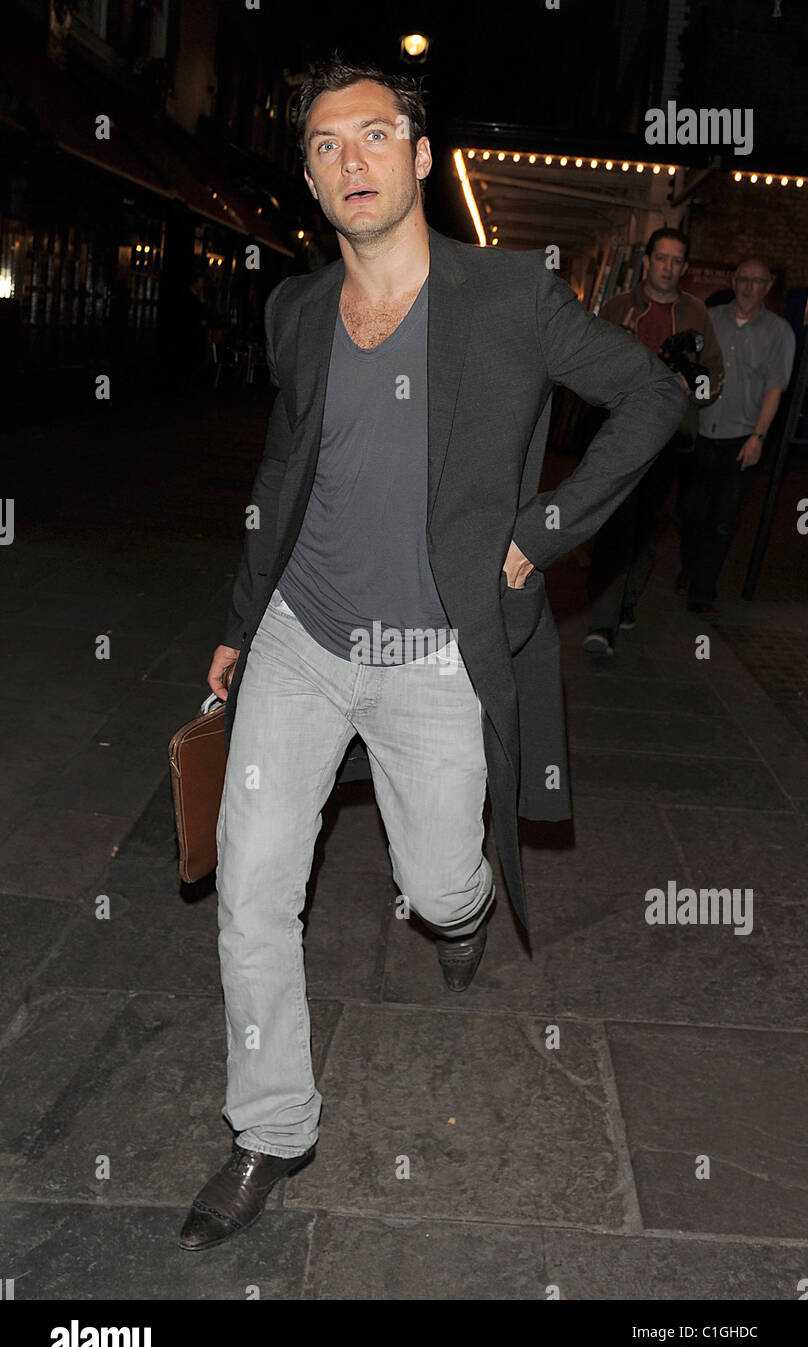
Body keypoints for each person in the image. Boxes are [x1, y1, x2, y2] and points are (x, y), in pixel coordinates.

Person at [178, 56, 688, 1252]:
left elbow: (651, 397)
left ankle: (457, 918)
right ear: (309, 178)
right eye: (323, 146)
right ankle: (268, 1130)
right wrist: (241, 619)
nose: (349, 160)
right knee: (252, 891)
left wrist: (544, 531)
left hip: (432, 659)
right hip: (301, 638)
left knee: (443, 876)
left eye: (371, 137)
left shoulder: (510, 295)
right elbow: (283, 472)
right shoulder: (297, 311)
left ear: (417, 156)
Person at [582, 226, 724, 654]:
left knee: (644, 528)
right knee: (615, 525)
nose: (668, 267)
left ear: (684, 266)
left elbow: (714, 375)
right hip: (618, 432)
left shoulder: (697, 314)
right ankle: (601, 624)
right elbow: (585, 366)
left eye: (677, 260)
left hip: (670, 438)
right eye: (661, 258)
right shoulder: (618, 306)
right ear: (647, 261)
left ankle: (626, 600)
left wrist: (692, 388)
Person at [679, 257, 796, 613]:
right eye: (743, 279)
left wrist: (758, 437)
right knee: (689, 514)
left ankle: (703, 589)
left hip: (741, 439)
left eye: (757, 281)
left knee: (722, 520)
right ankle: (691, 565)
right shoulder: (711, 322)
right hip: (701, 434)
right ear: (733, 280)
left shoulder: (779, 333)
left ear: (769, 285)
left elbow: (775, 388)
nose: (748, 287)